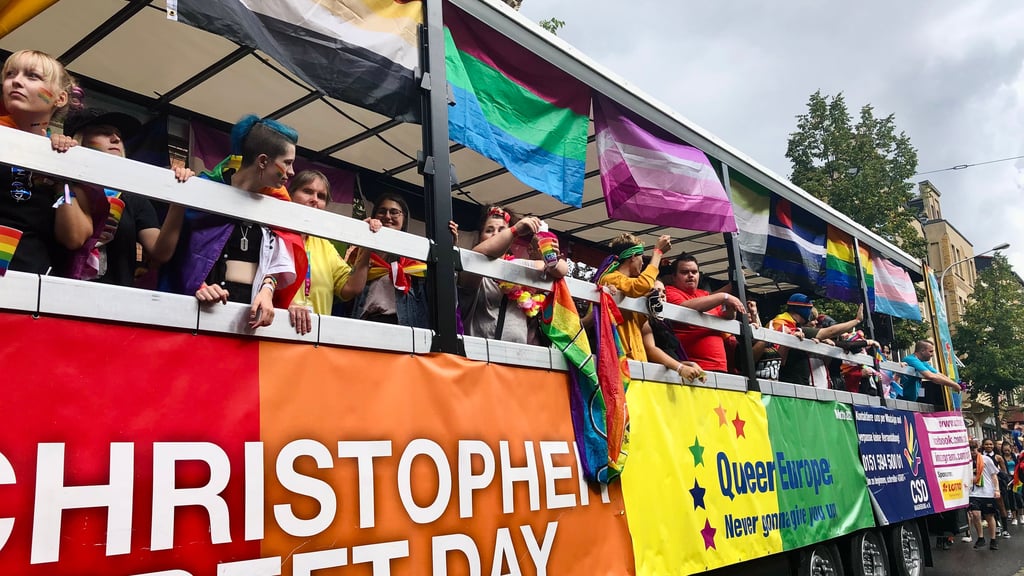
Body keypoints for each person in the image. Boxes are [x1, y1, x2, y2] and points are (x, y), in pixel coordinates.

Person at [164, 115, 304, 329]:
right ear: (263, 161)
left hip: (250, 320)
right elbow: (181, 252)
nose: (292, 172)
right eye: (288, 163)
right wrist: (200, 285)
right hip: (202, 313)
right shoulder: (204, 189)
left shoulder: (279, 203)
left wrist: (268, 290)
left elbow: (278, 261)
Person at [60, 107, 193, 285]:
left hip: (116, 297)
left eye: (119, 135)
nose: (116, 139)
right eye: (104, 132)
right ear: (79, 139)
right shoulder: (60, 185)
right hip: (58, 289)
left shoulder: (132, 197)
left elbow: (160, 252)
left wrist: (179, 200)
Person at [1, 49, 95, 275]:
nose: (16, 81)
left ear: (60, 98)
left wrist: (60, 177)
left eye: (32, 76)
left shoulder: (62, 152)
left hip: (31, 280)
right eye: (10, 74)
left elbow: (74, 238)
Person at [285, 170, 382, 335]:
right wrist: (286, 303)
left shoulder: (324, 244)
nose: (315, 199)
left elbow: (351, 288)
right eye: (307, 191)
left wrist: (366, 244)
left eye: (321, 196)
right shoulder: (274, 234)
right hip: (275, 332)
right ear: (290, 194)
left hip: (315, 338)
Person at [461, 205, 567, 344]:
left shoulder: (517, 266)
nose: (496, 234)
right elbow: (477, 255)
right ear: (480, 237)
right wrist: (515, 230)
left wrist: (551, 259)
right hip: (478, 354)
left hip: (519, 355)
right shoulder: (473, 263)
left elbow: (561, 270)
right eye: (489, 230)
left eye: (502, 230)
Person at [350, 193, 458, 328]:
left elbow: (445, 301)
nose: (387, 216)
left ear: (404, 219)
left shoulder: (417, 259)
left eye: (394, 212)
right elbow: (347, 295)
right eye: (382, 211)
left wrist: (447, 253)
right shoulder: (362, 253)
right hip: (365, 327)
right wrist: (364, 237)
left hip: (405, 328)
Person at [596, 233, 671, 362]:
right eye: (641, 257)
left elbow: (639, 288)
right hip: (621, 360)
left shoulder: (630, 287)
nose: (643, 262)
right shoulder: (610, 278)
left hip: (638, 359)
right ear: (633, 257)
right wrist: (658, 253)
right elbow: (642, 285)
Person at [663, 255, 745, 372]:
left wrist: (730, 308)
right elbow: (685, 308)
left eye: (694, 272)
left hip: (720, 366)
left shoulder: (704, 294)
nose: (691, 275)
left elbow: (726, 316)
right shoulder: (669, 291)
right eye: (684, 272)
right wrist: (724, 297)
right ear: (674, 277)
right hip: (692, 368)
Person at [641, 279, 705, 383]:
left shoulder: (665, 322)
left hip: (669, 376)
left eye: (664, 292)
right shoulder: (644, 319)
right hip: (654, 378)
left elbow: (670, 357)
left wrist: (691, 365)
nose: (662, 295)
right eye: (657, 291)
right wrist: (680, 368)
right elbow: (650, 350)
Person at [899, 340, 964, 402]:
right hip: (900, 398)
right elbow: (931, 376)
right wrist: (954, 385)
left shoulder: (922, 362)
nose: (932, 354)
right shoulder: (911, 359)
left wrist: (955, 384)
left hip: (908, 400)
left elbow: (939, 375)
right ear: (922, 351)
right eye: (930, 351)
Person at [970, 438, 1001, 550]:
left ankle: (993, 539)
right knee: (975, 514)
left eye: (974, 449)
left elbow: (994, 475)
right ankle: (980, 537)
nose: (972, 451)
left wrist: (996, 490)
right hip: (973, 493)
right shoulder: (966, 462)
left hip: (987, 492)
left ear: (977, 448)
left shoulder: (986, 459)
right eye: (970, 449)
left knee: (989, 516)